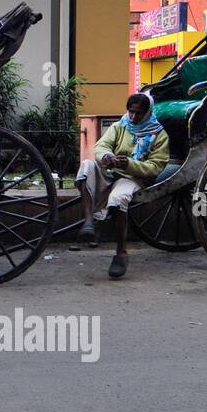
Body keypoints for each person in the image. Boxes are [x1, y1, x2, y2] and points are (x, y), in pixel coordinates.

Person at [75, 93, 169, 279]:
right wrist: (107, 157)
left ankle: (121, 252)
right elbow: (101, 146)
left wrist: (128, 164)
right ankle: (88, 222)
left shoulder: (159, 135)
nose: (133, 117)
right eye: (131, 112)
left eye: (139, 114)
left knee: (119, 199)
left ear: (148, 112)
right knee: (86, 166)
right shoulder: (120, 126)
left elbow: (155, 167)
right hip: (111, 171)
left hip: (134, 178)